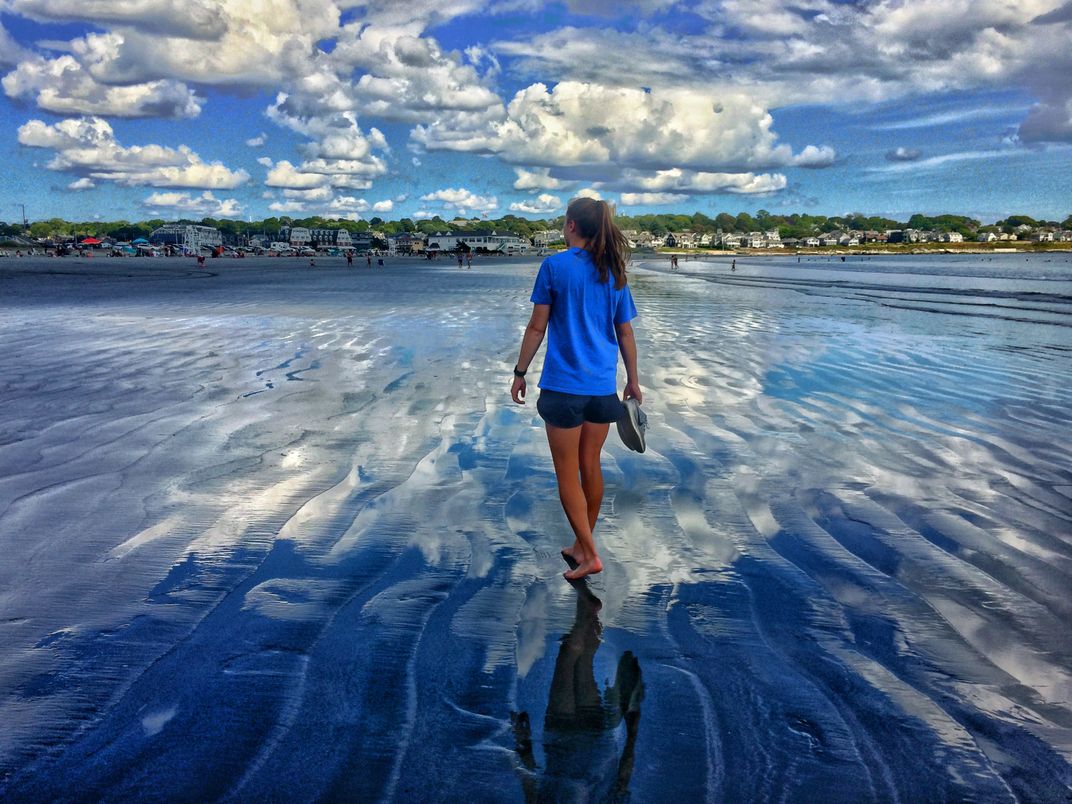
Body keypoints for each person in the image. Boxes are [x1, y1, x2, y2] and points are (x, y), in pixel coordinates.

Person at [511, 197, 642, 581]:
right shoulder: (613, 271)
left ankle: (590, 554)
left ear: (570, 226)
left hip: (563, 387)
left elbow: (537, 327)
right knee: (590, 466)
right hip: (602, 390)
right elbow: (625, 332)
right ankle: (581, 545)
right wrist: (632, 380)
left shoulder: (554, 266)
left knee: (567, 472)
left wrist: (520, 371)